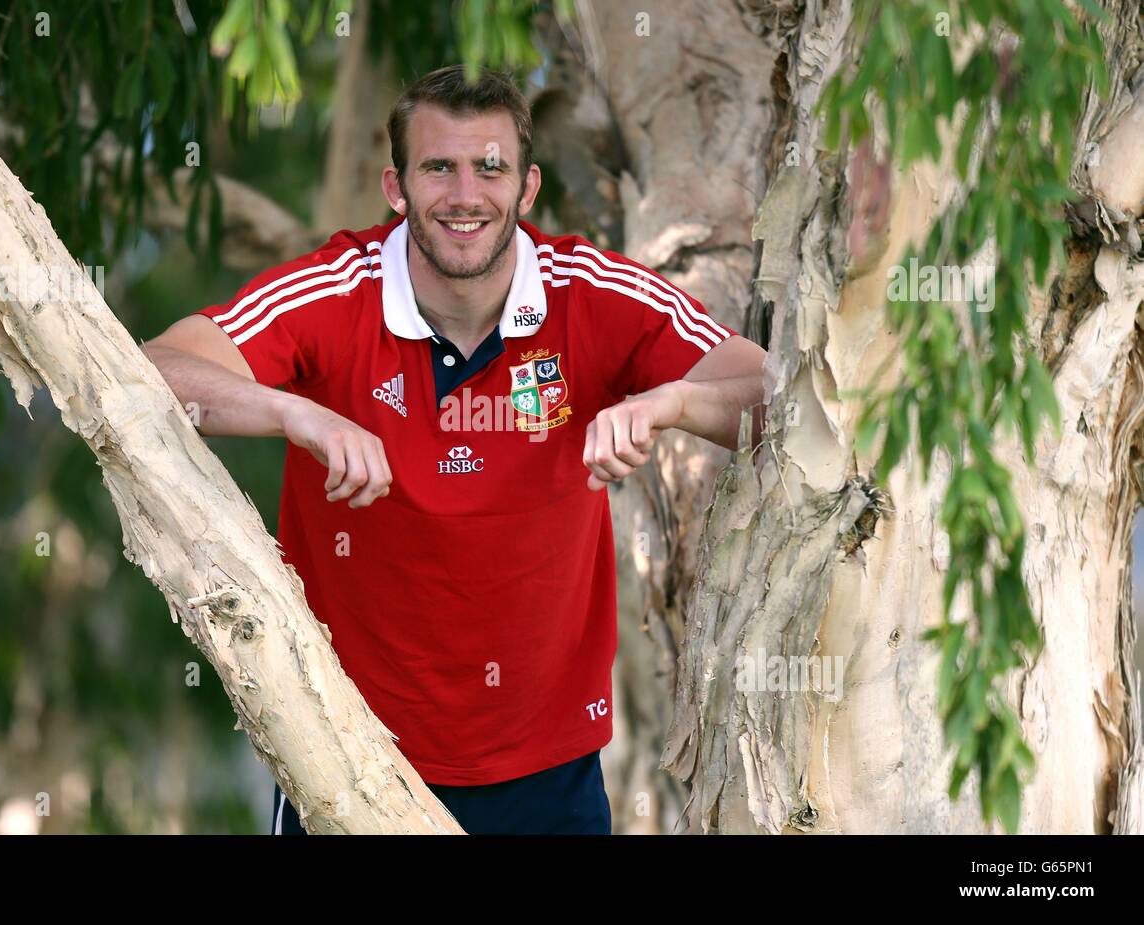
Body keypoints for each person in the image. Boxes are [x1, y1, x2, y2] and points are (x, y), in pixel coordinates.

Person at [142, 65, 766, 835]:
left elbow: (781, 400)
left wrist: (670, 402)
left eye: (490, 168)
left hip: (549, 770)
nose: (465, 194)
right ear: (396, 188)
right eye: (438, 167)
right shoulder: (335, 288)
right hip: (347, 757)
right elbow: (156, 371)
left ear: (528, 187)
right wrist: (296, 413)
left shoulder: (593, 292)